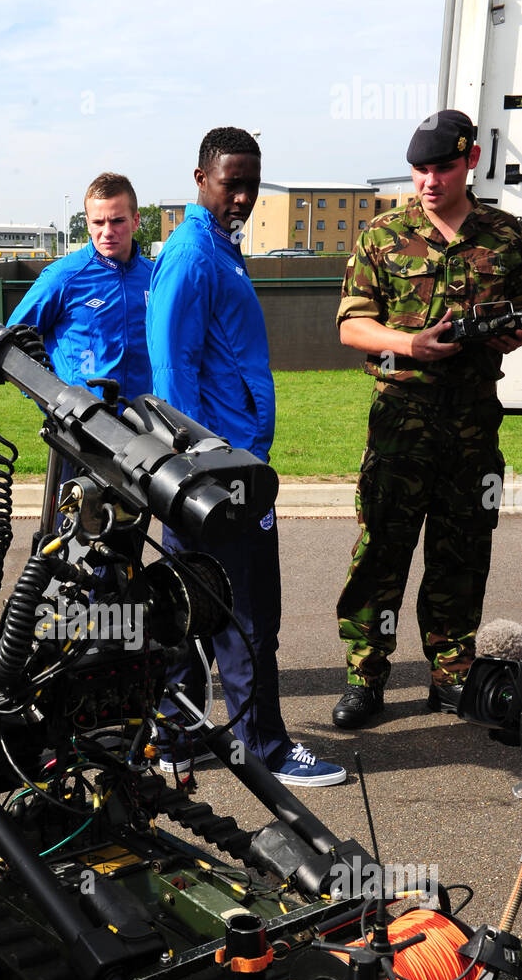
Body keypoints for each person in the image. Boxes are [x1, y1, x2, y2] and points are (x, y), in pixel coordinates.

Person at [146, 126, 345, 787]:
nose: (242, 197)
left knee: (193, 609)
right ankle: (264, 749)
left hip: (222, 470)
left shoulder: (217, 250)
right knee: (249, 619)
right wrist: (198, 467)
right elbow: (173, 369)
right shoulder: (193, 255)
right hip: (218, 475)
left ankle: (176, 740)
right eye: (231, 182)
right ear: (200, 177)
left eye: (251, 186)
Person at [332, 109, 522, 730]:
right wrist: (410, 344)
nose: (428, 181)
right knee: (381, 553)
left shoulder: (507, 237)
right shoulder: (383, 236)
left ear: (469, 161)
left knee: (462, 554)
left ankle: (451, 673)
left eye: (441, 167)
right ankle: (366, 676)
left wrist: (509, 333)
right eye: (419, 170)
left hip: (472, 426)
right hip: (401, 422)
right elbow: (351, 325)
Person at [7, 171, 153, 416]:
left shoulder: (156, 278)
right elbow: (13, 342)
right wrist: (50, 401)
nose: (107, 231)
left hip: (147, 425)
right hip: (82, 427)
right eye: (98, 222)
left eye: (117, 220)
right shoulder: (62, 278)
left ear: (136, 221)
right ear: (87, 223)